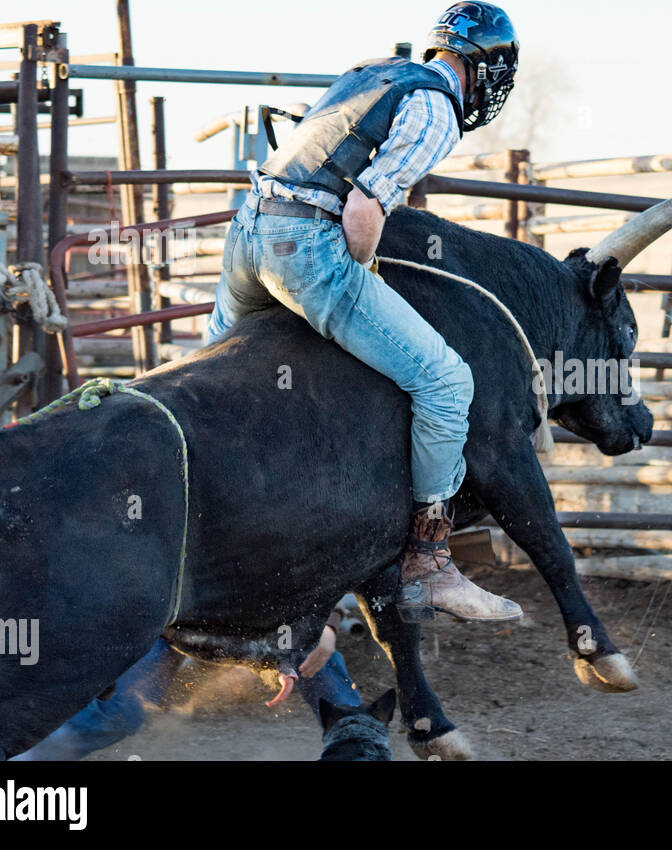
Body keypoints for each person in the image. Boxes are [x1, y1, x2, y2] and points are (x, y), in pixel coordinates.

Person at [205, 2, 522, 623]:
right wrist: (362, 271)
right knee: (445, 380)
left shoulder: (374, 70)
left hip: (248, 230)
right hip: (303, 246)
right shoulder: (436, 110)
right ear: (482, 67)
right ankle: (429, 561)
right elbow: (361, 211)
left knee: (211, 373)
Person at [14, 608, 358, 760]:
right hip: (181, 624)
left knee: (323, 665)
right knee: (123, 710)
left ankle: (361, 749)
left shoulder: (288, 485)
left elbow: (328, 557)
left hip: (271, 621)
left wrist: (326, 625)